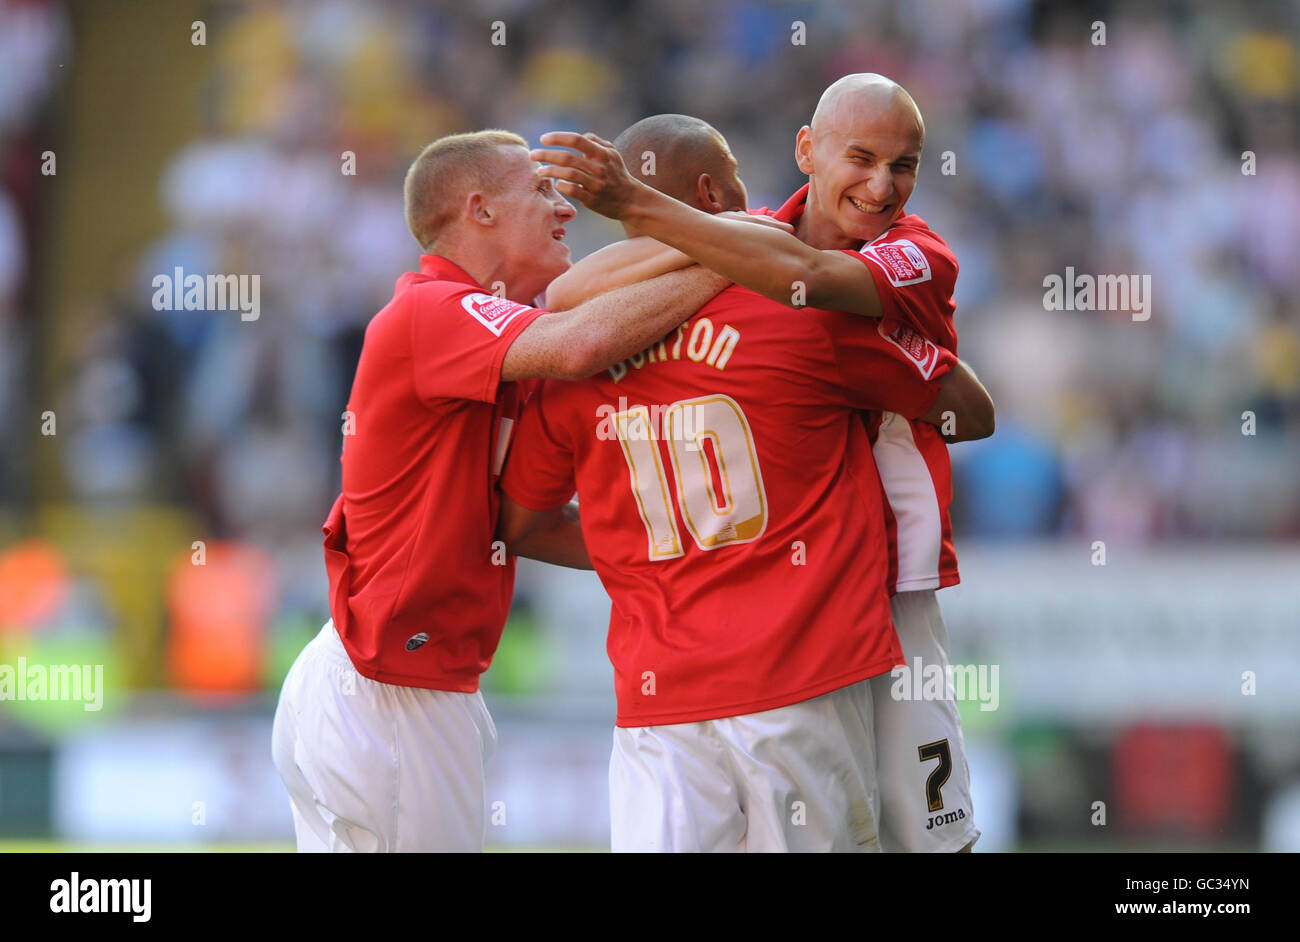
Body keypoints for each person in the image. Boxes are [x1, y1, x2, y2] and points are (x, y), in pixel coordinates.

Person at [499, 113, 992, 852]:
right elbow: (969, 413)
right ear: (714, 190)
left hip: (656, 698)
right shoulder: (806, 319)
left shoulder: (570, 356)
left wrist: (652, 553)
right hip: (800, 678)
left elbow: (521, 525)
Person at [271, 129, 745, 853]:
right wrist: (745, 261)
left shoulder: (483, 333)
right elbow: (582, 341)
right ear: (480, 211)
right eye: (542, 192)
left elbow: (530, 525)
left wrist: (690, 554)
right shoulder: (431, 310)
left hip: (408, 682)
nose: (564, 212)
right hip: (388, 685)